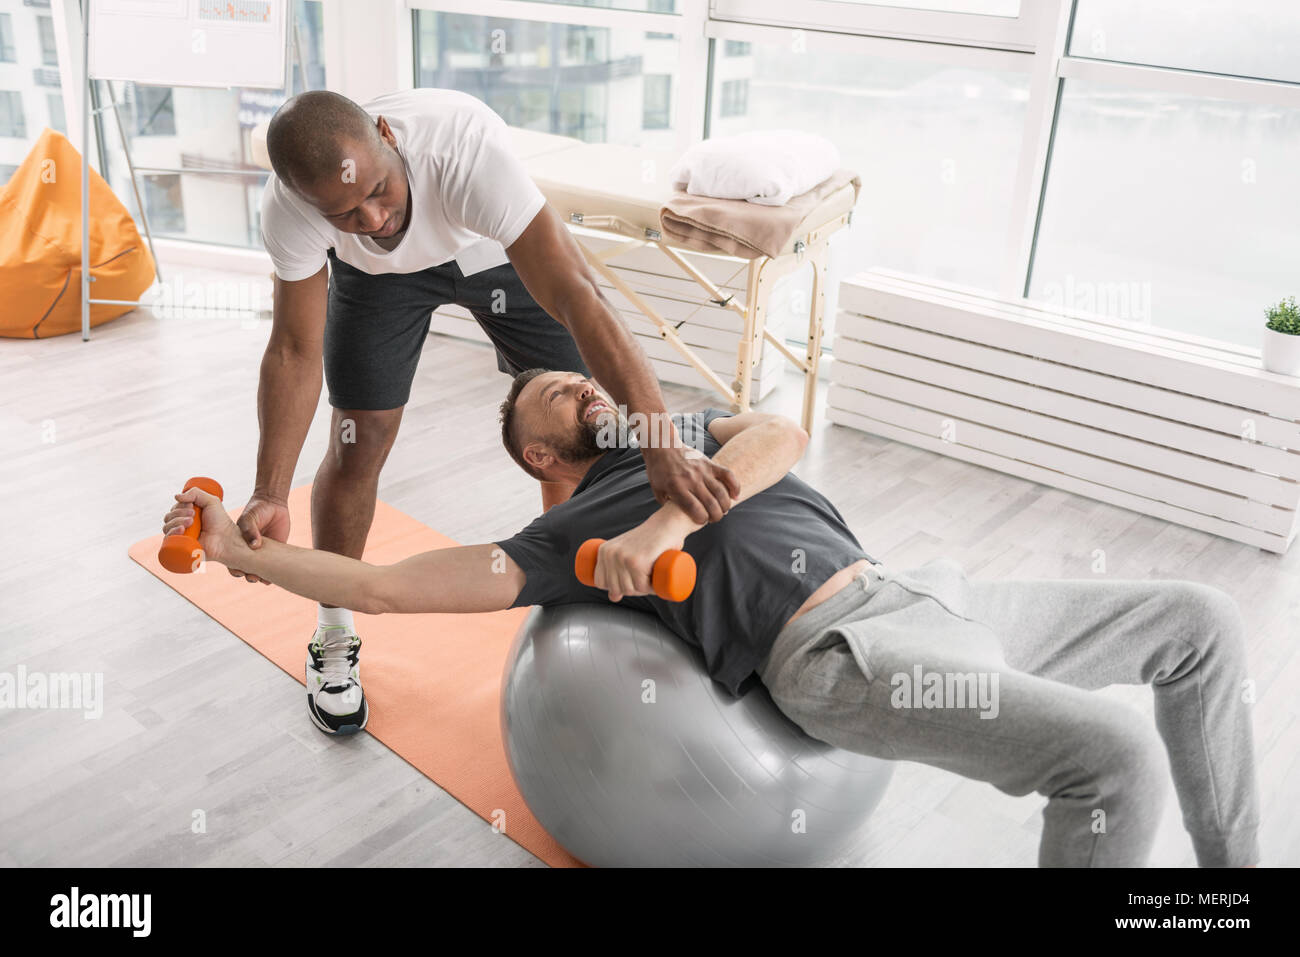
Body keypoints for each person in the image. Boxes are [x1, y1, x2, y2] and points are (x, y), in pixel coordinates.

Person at [162, 369, 1261, 867]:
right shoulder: (569, 536)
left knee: (1196, 617)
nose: (583, 387)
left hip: (921, 590)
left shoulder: (673, 438)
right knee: (1110, 756)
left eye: (579, 377)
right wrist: (243, 552)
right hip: (844, 652)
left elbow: (778, 430)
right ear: (539, 454)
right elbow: (392, 588)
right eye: (555, 395)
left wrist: (670, 530)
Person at [249, 88, 738, 735]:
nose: (372, 218)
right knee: (358, 439)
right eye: (345, 212)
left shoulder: (464, 146)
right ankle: (334, 634)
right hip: (377, 283)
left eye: (379, 191)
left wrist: (661, 441)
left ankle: (576, 603)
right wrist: (269, 489)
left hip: (494, 254)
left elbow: (576, 294)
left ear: (389, 137)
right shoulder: (291, 209)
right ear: (309, 203)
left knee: (571, 428)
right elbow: (292, 348)